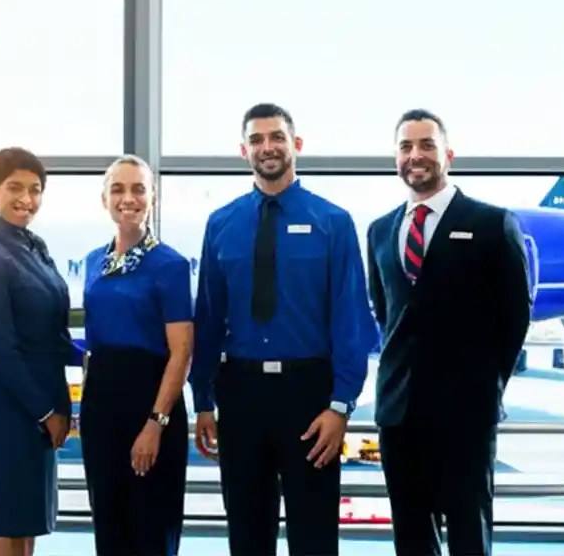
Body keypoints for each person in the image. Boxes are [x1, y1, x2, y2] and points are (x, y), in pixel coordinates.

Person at [189, 103, 376, 556]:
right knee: (247, 534)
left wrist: (341, 405)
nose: (267, 147)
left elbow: (350, 319)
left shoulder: (333, 222)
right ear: (243, 150)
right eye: (256, 140)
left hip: (309, 395)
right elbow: (209, 317)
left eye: (276, 137)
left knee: (313, 535)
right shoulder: (222, 224)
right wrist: (204, 401)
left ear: (296, 145)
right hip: (241, 392)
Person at [366, 109, 532, 556]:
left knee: (467, 534)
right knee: (412, 536)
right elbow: (388, 313)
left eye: (426, 145)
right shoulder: (380, 231)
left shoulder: (493, 224)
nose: (415, 155)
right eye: (405, 147)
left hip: (467, 413)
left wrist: (483, 383)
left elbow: (515, 319)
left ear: (449, 155)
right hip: (399, 414)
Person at [0, 147, 80, 556]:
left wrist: (94, 361)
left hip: (40, 398)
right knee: (12, 523)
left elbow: (52, 333)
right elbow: (1, 349)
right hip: (10, 406)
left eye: (35, 189)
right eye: (15, 187)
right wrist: (45, 412)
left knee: (28, 520)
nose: (26, 199)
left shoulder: (34, 246)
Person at [79, 155, 193, 556]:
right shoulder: (94, 262)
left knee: (151, 530)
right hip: (101, 406)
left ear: (153, 198)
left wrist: (155, 423)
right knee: (109, 528)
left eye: (138, 189)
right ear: (104, 199)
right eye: (118, 189)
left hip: (151, 403)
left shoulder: (171, 265)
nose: (128, 198)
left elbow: (181, 352)